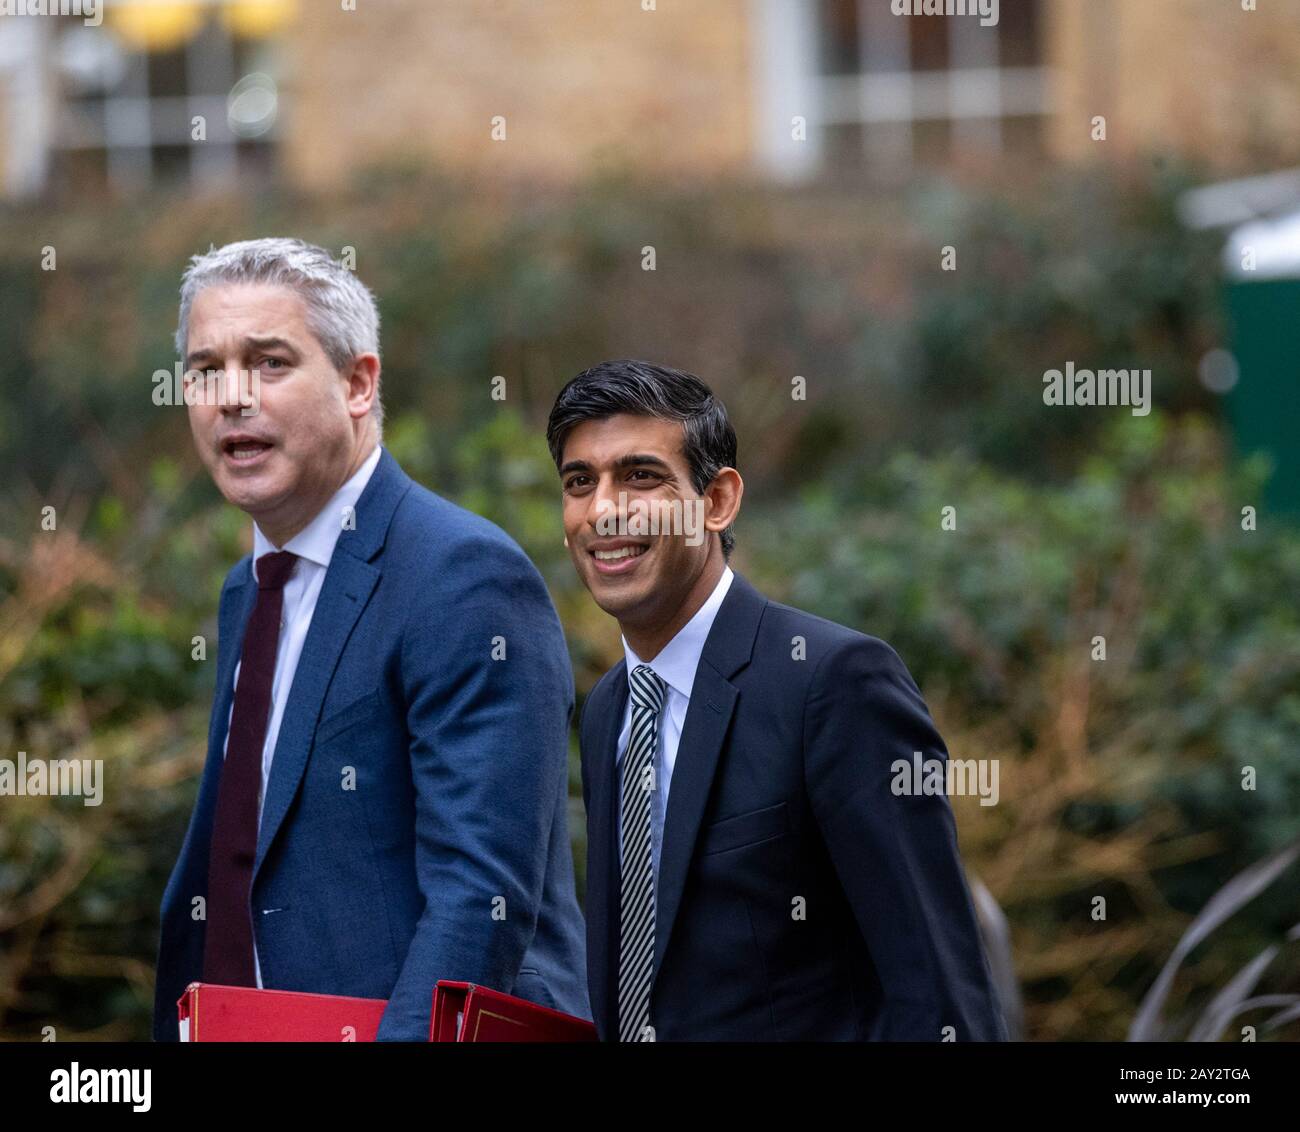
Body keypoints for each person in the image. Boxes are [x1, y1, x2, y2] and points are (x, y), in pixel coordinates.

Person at [153, 238, 587, 1040]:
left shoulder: (462, 575)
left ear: (358, 383)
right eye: (206, 370)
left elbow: (480, 898)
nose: (232, 397)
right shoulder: (248, 589)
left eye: (271, 362)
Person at [547, 358, 1007, 1041]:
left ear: (718, 501)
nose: (604, 510)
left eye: (641, 476)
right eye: (580, 483)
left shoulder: (836, 683)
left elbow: (939, 1000)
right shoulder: (610, 708)